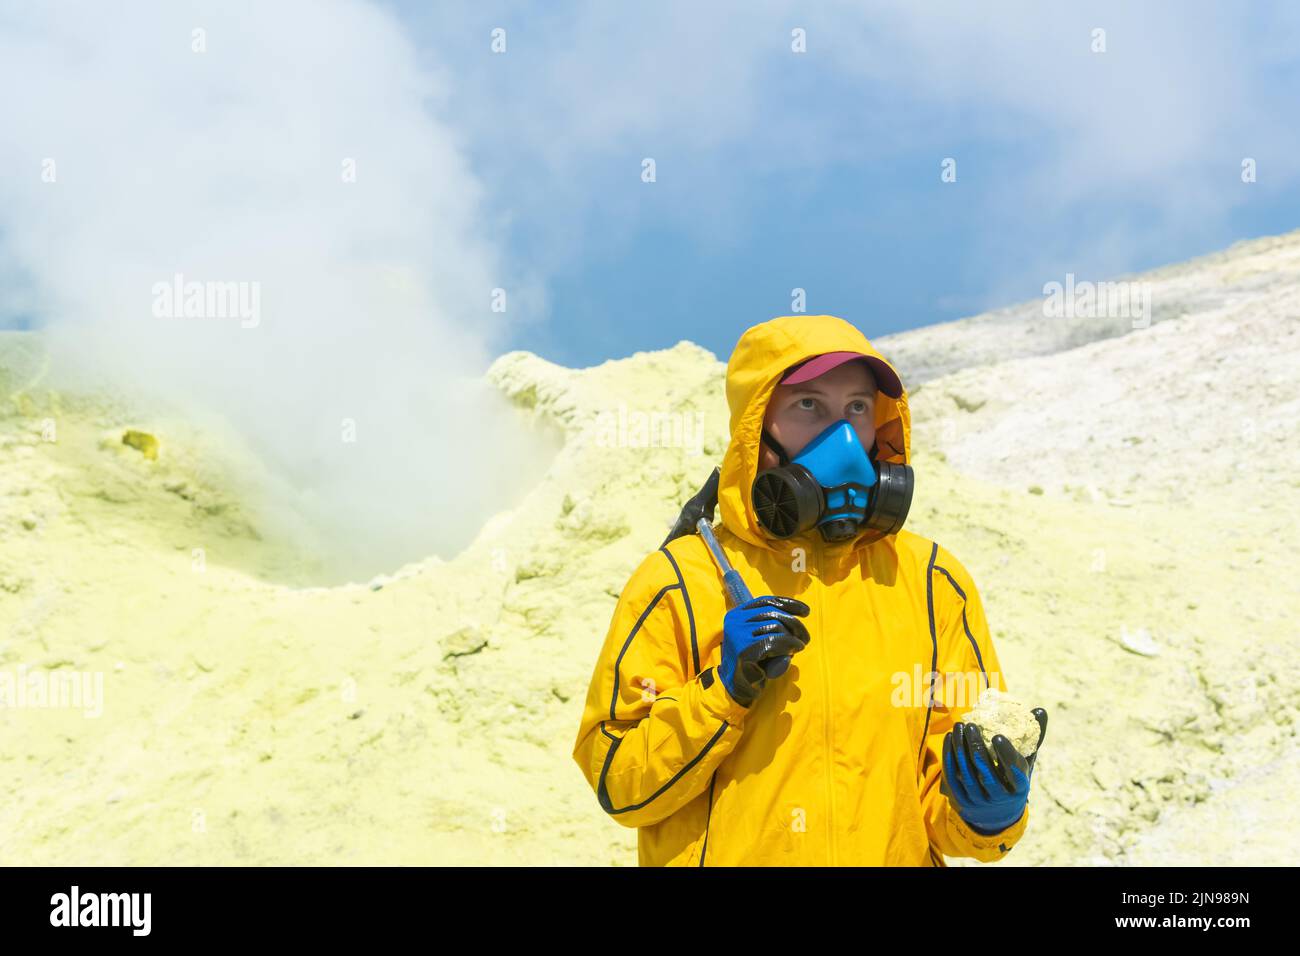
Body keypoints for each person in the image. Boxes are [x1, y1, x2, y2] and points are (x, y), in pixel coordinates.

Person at [572, 313, 1048, 866]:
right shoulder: (681, 579)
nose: (842, 437)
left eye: (857, 408)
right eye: (809, 406)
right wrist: (721, 691)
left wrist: (987, 813)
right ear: (756, 426)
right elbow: (619, 784)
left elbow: (944, 813)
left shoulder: (932, 581)